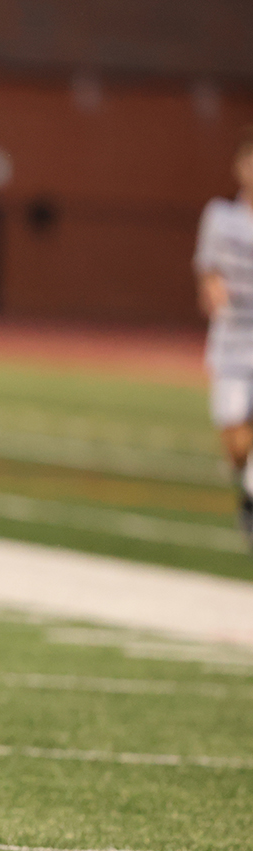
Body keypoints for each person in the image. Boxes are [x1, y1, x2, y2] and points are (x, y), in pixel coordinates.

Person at [195, 131, 253, 545]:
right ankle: (247, 480)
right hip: (232, 338)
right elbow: (207, 267)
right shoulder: (220, 216)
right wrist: (212, 288)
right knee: (234, 437)